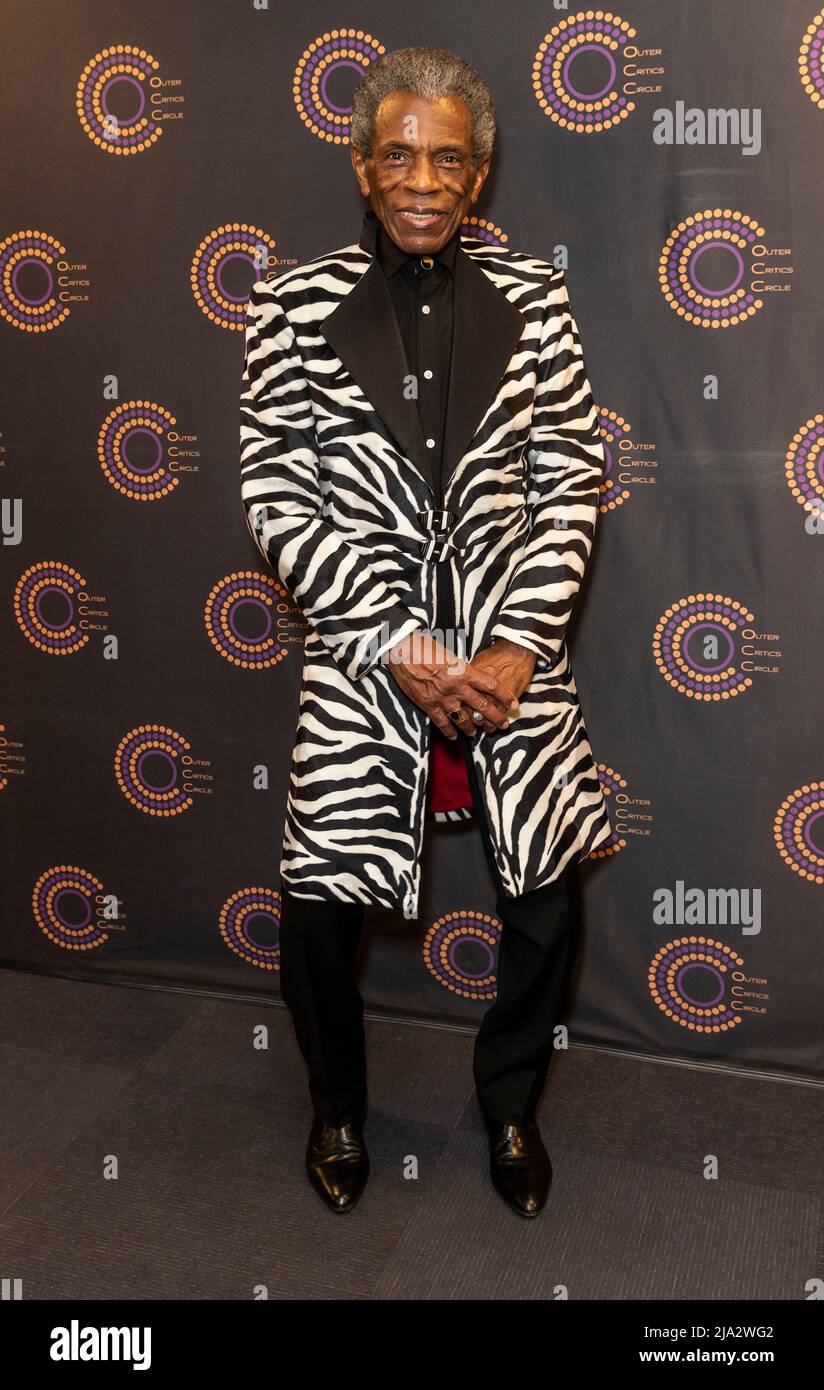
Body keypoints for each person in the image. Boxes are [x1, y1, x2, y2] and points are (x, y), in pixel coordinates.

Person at [239, 47, 611, 1217]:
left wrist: (510, 645)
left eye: (446, 158)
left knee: (547, 904)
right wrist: (400, 640)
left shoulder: (536, 300)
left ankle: (507, 1108)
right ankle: (336, 1107)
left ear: (479, 173)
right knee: (316, 916)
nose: (420, 178)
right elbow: (275, 490)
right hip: (364, 660)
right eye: (397, 153)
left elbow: (564, 481)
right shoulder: (291, 307)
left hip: (512, 659)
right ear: (360, 163)